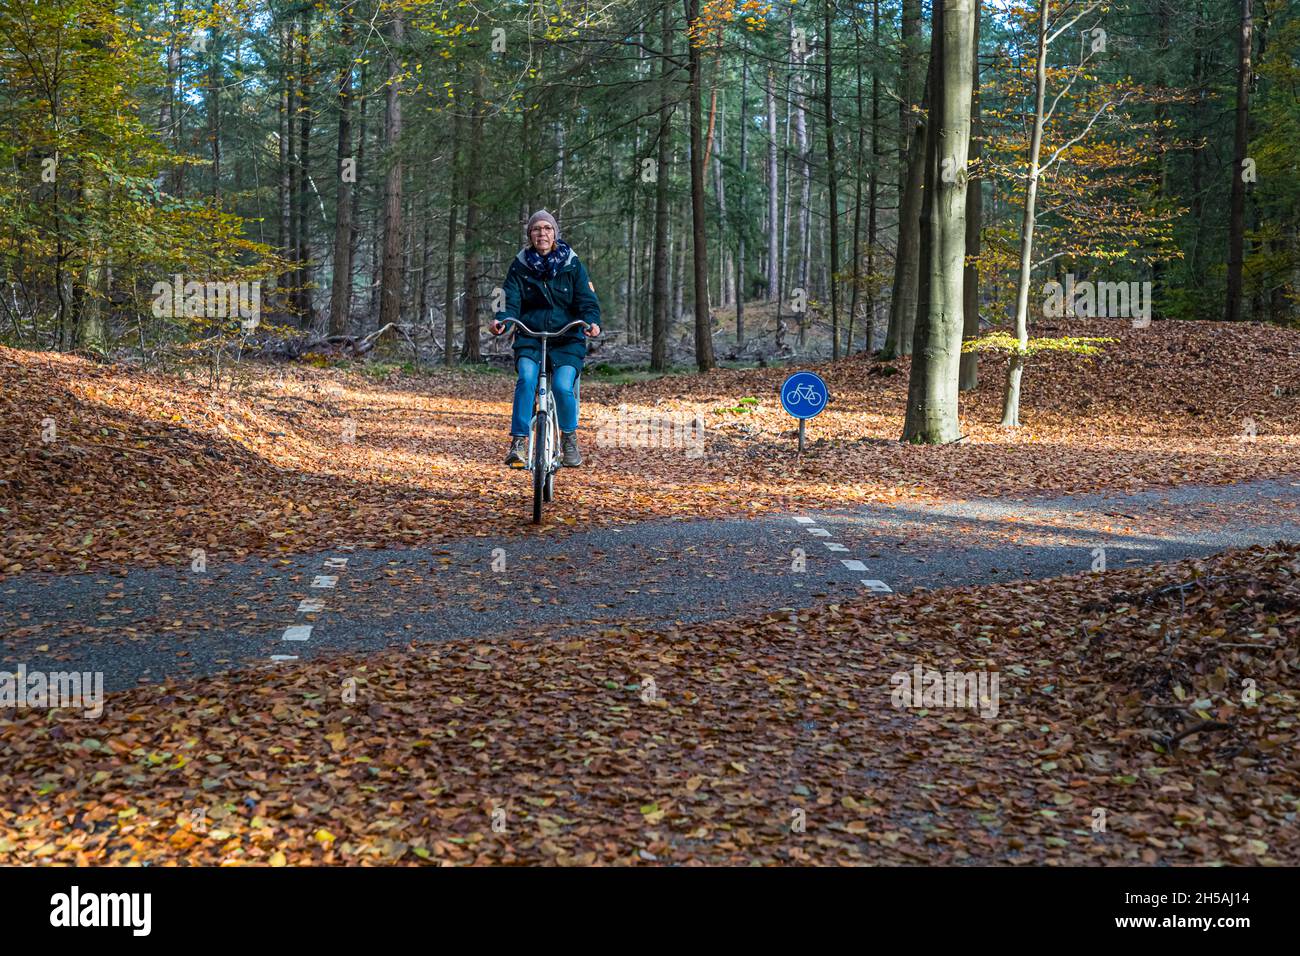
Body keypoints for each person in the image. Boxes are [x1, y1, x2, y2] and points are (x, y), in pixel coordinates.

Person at [490, 209, 601, 468]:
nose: (542, 233)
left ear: (555, 233)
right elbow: (509, 300)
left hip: (567, 337)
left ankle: (569, 438)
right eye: (537, 229)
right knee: (527, 379)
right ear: (530, 235)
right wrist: (502, 320)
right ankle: (517, 442)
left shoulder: (572, 264)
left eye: (547, 228)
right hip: (531, 336)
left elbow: (587, 300)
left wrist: (592, 323)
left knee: (563, 386)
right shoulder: (520, 265)